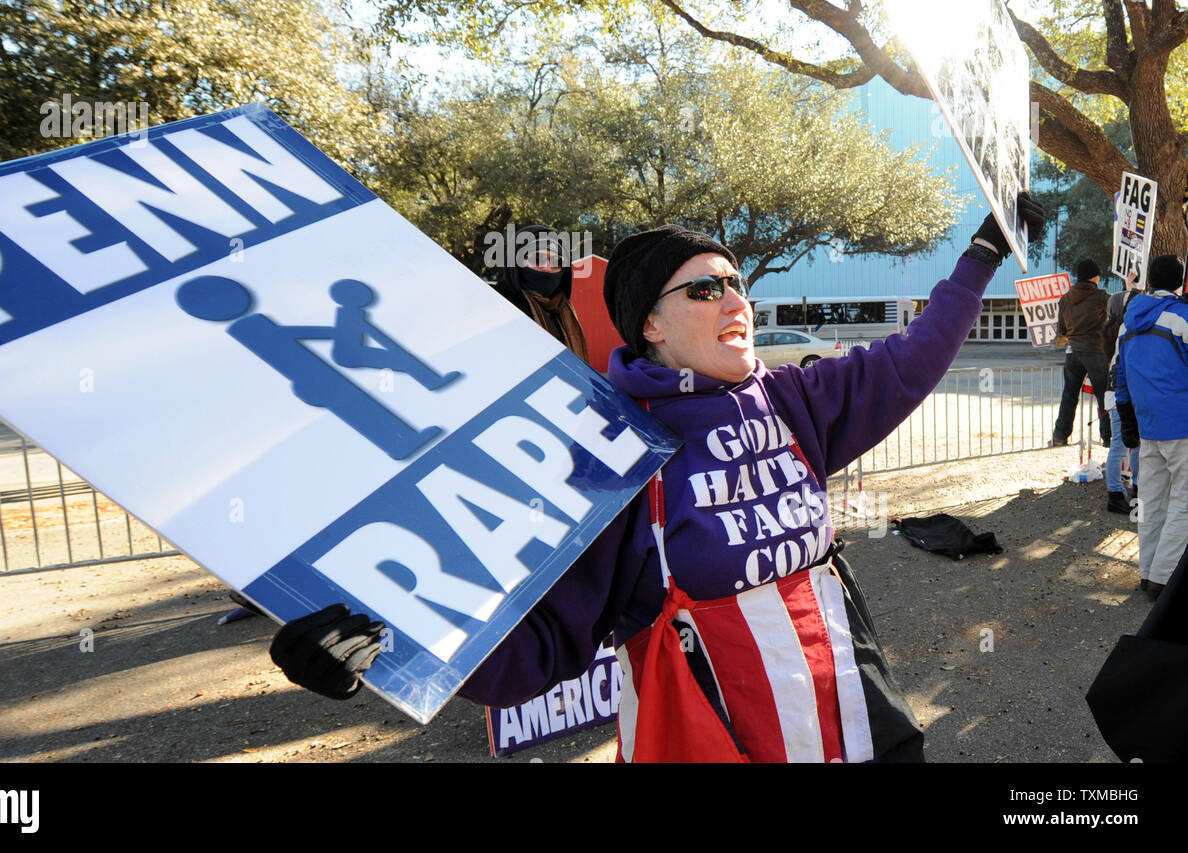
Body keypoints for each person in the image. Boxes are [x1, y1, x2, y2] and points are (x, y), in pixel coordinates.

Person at [270, 194, 1045, 762]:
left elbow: (910, 359)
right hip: (715, 741)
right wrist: (378, 645)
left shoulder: (790, 398)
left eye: (736, 281)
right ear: (651, 323)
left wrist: (981, 252)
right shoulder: (607, 449)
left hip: (862, 715)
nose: (735, 299)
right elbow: (535, 647)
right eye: (705, 288)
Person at [1113, 254, 1188, 601]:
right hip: (1181, 424)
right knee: (1183, 503)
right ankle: (1163, 578)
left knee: (1151, 501)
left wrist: (1128, 422)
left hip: (1147, 426)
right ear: (1178, 281)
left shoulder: (1128, 323)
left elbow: (1120, 378)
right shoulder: (1181, 317)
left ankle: (1147, 573)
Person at [491, 223, 589, 363]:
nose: (547, 267)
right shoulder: (497, 305)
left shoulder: (562, 309)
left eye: (556, 261)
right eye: (537, 259)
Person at [1050, 258, 1112, 448]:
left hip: (1072, 351)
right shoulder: (1102, 297)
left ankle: (1060, 435)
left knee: (1069, 394)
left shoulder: (1065, 298)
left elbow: (1061, 330)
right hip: (1095, 351)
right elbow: (1116, 316)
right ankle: (1108, 437)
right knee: (1104, 395)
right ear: (1094, 277)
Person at [1101, 271, 1141, 514]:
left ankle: (1122, 490)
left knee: (1125, 445)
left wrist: (1129, 285)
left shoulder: (1112, 329)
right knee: (1126, 445)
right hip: (1121, 393)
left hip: (1116, 392)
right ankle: (1119, 491)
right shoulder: (1129, 326)